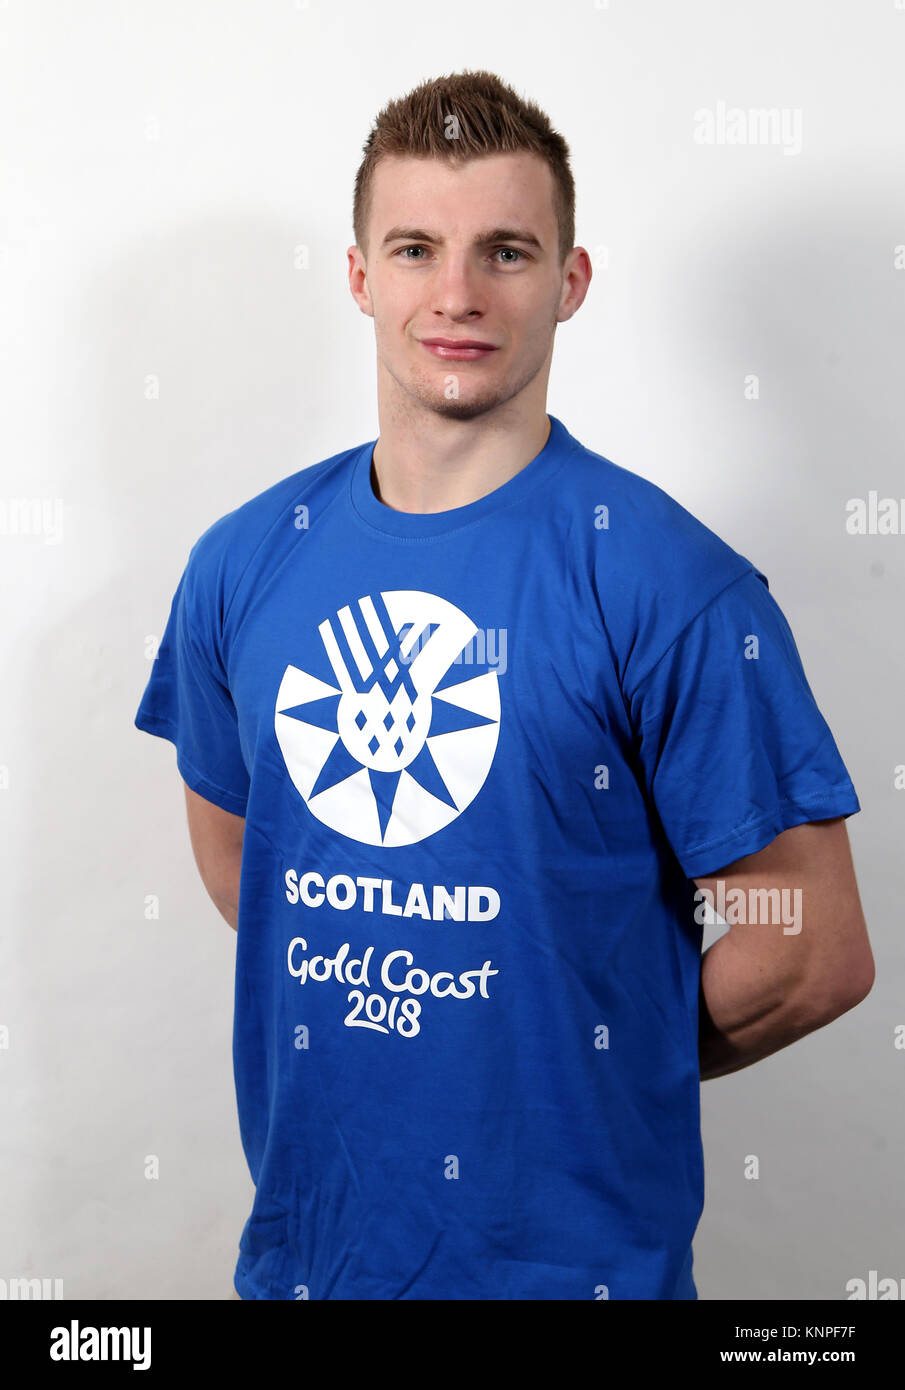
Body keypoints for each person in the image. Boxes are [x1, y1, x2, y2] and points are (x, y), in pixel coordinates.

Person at [134, 69, 874, 1301]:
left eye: (507, 251)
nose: (458, 294)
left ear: (568, 283)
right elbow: (243, 861)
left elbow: (810, 950)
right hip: (309, 1263)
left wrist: (585, 1042)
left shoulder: (671, 583)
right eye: (416, 248)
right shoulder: (242, 562)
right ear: (361, 275)